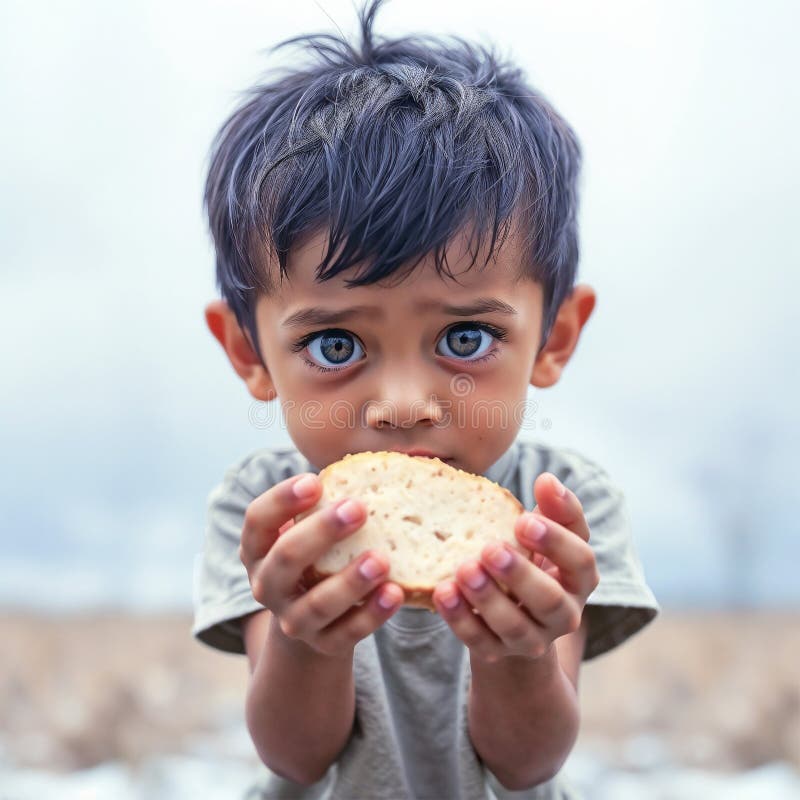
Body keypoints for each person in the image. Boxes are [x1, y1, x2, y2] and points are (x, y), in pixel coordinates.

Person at [193, 1, 659, 797]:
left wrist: (515, 652)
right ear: (249, 353)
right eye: (336, 345)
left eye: (466, 339)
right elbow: (296, 758)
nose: (404, 405)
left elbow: (527, 763)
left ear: (553, 338)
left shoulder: (559, 507)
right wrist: (307, 637)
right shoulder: (267, 509)